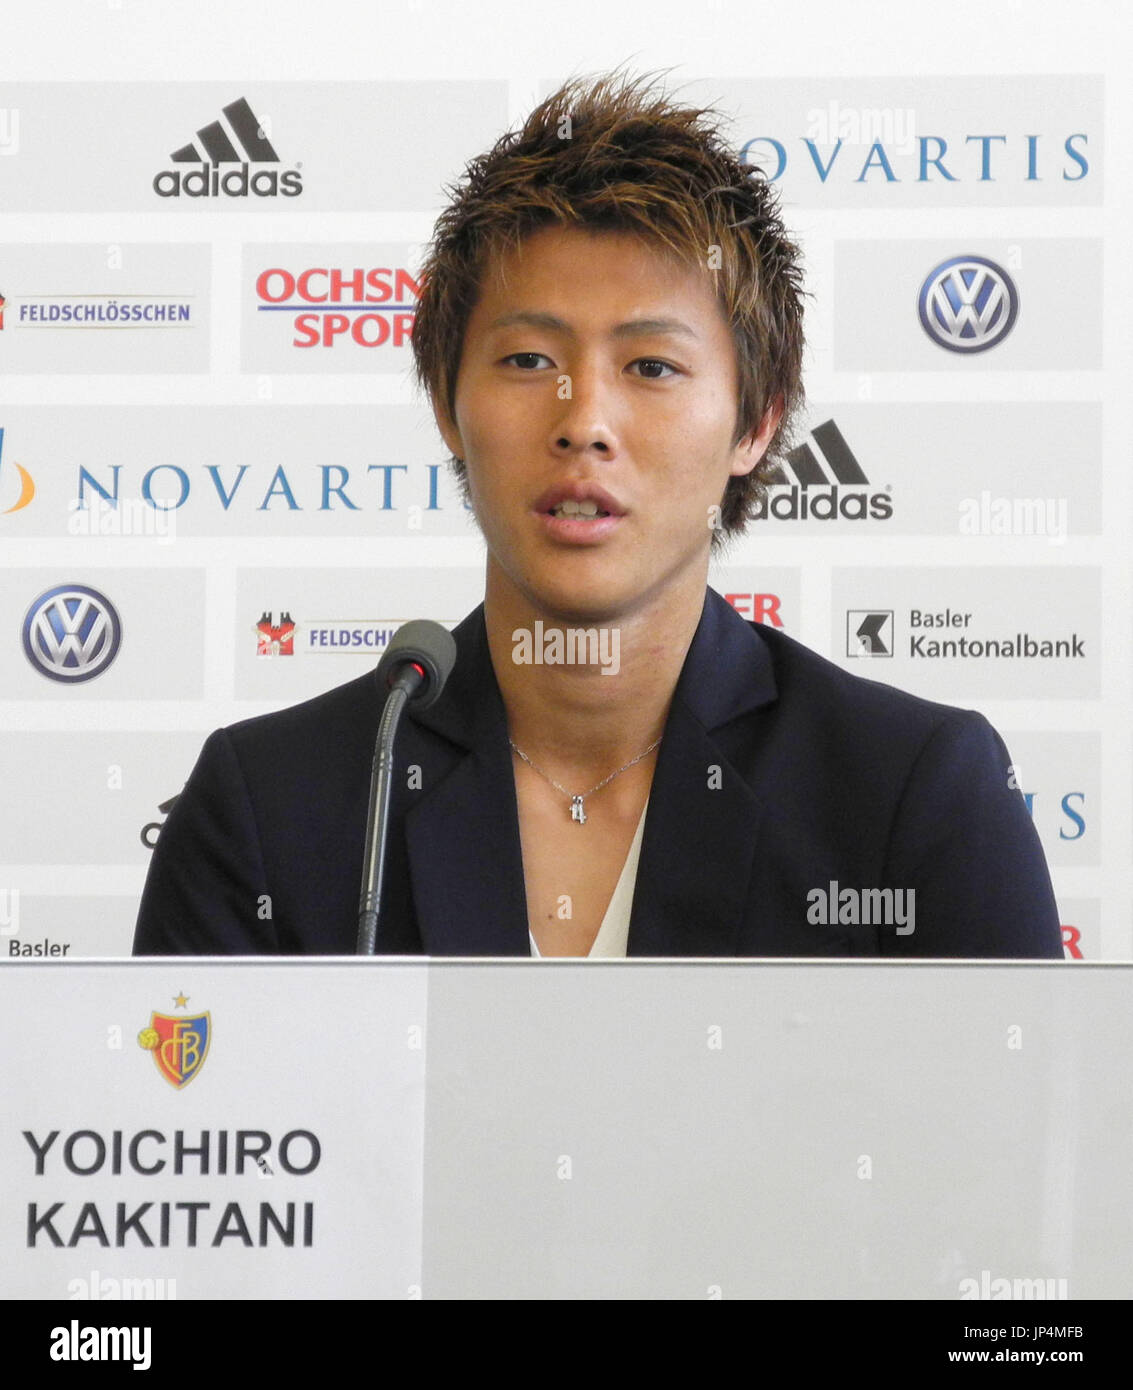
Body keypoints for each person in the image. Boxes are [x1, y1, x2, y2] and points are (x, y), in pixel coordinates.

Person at [133, 72, 1062, 959]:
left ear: (755, 423)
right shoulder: (271, 803)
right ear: (444, 404)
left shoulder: (911, 793)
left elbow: (1007, 1125)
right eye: (529, 360)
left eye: (651, 367)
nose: (583, 422)